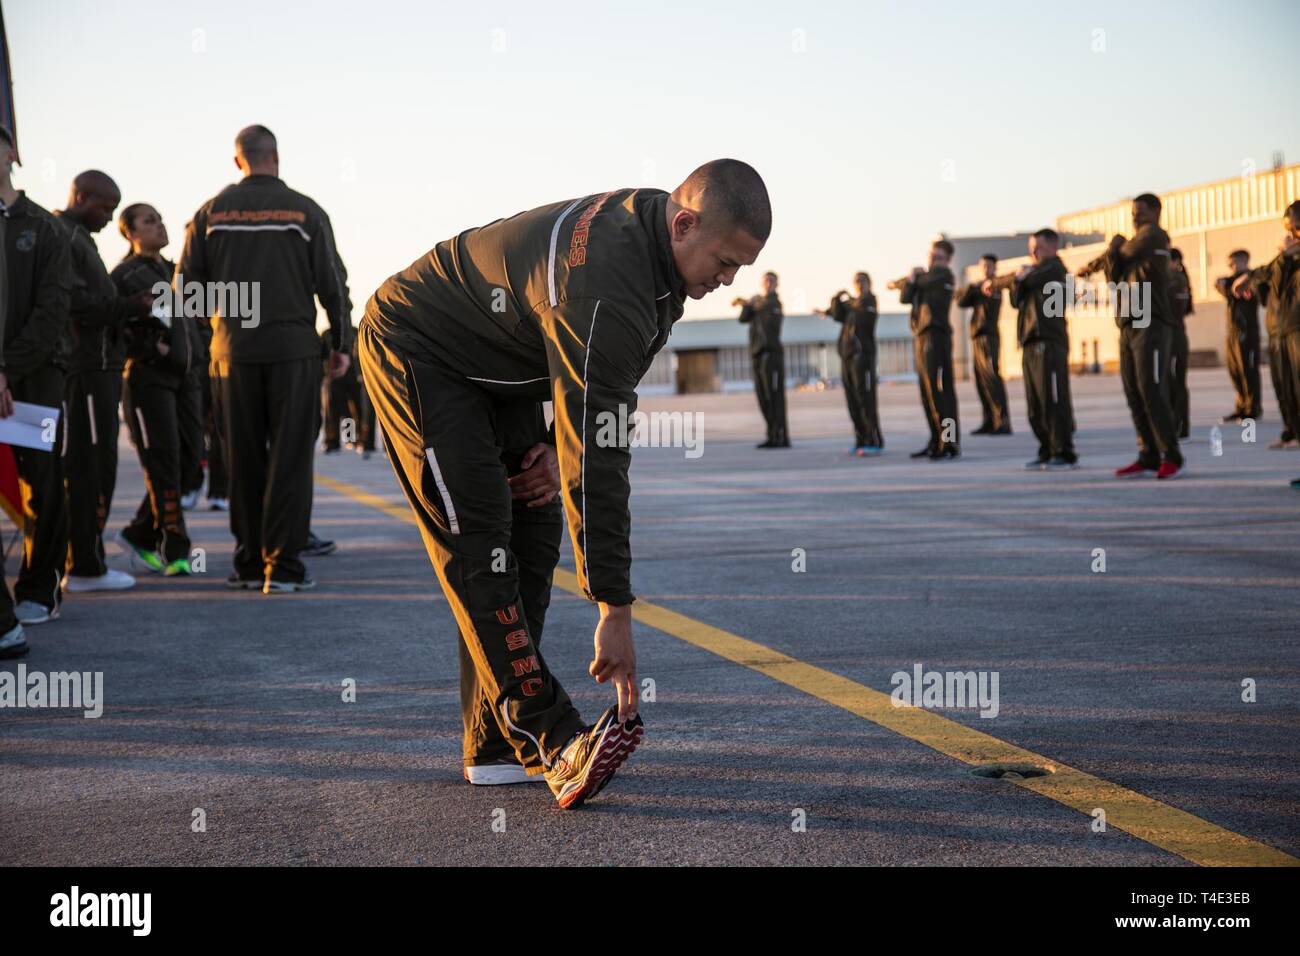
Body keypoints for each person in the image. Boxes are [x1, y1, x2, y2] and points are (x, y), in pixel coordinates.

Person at [359, 159, 770, 807]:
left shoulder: (660, 259)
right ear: (685, 223)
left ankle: (494, 742)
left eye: (739, 269)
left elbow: (597, 412)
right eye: (724, 262)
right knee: (479, 541)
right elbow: (601, 459)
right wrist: (614, 606)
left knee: (536, 517)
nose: (727, 280)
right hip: (420, 345)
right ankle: (553, 740)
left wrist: (554, 445)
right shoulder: (607, 282)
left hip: (504, 358)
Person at [176, 125, 350, 593]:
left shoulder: (210, 213)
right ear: (276, 156)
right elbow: (333, 283)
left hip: (229, 354)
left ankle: (251, 563)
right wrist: (342, 344)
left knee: (241, 457)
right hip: (292, 351)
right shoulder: (306, 211)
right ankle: (285, 567)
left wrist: (203, 346)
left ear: (238, 161)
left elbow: (186, 290)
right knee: (289, 459)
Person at [56, 171, 152, 591]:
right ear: (80, 196)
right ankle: (85, 567)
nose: (108, 216)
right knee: (89, 468)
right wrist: (129, 306)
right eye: (105, 207)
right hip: (87, 369)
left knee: (99, 465)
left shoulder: (79, 237)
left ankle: (85, 559)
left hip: (100, 368)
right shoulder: (64, 236)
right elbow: (74, 302)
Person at [0, 124, 71, 647]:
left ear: (12, 153)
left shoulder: (44, 228)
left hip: (36, 379)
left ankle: (39, 585)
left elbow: (52, 314)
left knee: (41, 486)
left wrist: (7, 368)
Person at [110, 203, 195, 576]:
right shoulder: (124, 275)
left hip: (185, 380)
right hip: (148, 381)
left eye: (160, 219)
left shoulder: (173, 271)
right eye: (149, 221)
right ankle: (174, 551)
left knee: (193, 464)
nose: (159, 225)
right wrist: (151, 349)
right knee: (164, 464)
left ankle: (139, 533)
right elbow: (114, 327)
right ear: (130, 232)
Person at [1077, 193, 1183, 479]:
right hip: (1128, 322)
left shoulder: (1154, 237)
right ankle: (1148, 454)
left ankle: (1171, 455)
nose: (1136, 217)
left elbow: (1118, 254)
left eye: (1141, 212)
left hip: (1152, 322)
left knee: (1151, 388)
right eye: (1133, 212)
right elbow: (1117, 260)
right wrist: (1093, 265)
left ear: (1156, 212)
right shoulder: (1133, 245)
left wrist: (1111, 247)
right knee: (1133, 391)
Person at [985, 229, 1076, 469]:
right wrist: (1016, 279)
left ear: (1052, 247)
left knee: (1052, 399)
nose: (1033, 253)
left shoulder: (1054, 268)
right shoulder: (1032, 273)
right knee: (1035, 403)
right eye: (1031, 248)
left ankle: (1063, 451)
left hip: (1049, 340)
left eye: (1038, 248)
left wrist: (1017, 277)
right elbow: (1016, 299)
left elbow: (1026, 278)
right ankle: (1046, 448)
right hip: (1029, 341)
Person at [1233, 201, 1300, 488]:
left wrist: (1287, 256)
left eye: (1296, 228)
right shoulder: (1286, 259)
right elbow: (1264, 275)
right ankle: (1292, 431)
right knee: (1289, 392)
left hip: (1296, 330)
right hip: (1281, 331)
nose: (1294, 235)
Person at [889, 238, 960, 460]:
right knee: (927, 393)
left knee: (941, 393)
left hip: (936, 336)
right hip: (921, 336)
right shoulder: (923, 278)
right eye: (931, 255)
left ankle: (949, 443)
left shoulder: (943, 276)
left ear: (947, 260)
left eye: (938, 257)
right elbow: (904, 297)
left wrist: (912, 277)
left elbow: (917, 284)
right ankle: (935, 440)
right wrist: (911, 278)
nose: (932, 260)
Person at [818, 272, 883, 454]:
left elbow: (860, 312)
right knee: (852, 401)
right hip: (848, 357)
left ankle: (874, 440)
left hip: (863, 357)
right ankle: (861, 439)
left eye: (862, 281)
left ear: (869, 284)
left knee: (865, 400)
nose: (859, 285)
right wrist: (836, 298)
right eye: (856, 282)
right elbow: (837, 314)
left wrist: (846, 303)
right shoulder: (852, 306)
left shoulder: (869, 301)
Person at [958, 254, 1011, 435]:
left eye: (989, 266)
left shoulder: (995, 286)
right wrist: (972, 287)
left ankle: (1002, 421)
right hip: (976, 337)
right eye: (983, 266)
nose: (985, 270)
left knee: (992, 379)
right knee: (981, 382)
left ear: (995, 267)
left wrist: (981, 288)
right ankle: (988, 420)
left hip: (989, 337)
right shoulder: (978, 287)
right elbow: (961, 302)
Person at [734, 271, 788, 447]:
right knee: (763, 397)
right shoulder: (759, 304)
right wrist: (747, 305)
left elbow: (768, 319)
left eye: (771, 280)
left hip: (771, 355)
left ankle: (780, 437)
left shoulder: (774, 303)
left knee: (774, 397)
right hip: (757, 355)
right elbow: (743, 319)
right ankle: (772, 434)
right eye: (765, 280)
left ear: (777, 284)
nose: (768, 283)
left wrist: (751, 303)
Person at [1214, 250, 1263, 426]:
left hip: (1247, 331)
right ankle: (1241, 407)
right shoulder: (1231, 281)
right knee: (1235, 371)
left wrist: (1234, 285)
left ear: (1243, 261)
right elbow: (1226, 290)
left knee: (1247, 370)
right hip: (1233, 331)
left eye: (1233, 263)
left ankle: (1253, 409)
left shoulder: (1251, 280)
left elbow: (1249, 293)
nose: (1230, 267)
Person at [1168, 247, 1193, 439]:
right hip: (1172, 336)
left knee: (1176, 383)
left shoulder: (1177, 280)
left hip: (1174, 337)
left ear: (1176, 262)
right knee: (1170, 382)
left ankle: (1180, 425)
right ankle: (1176, 425)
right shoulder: (1175, 280)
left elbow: (1174, 311)